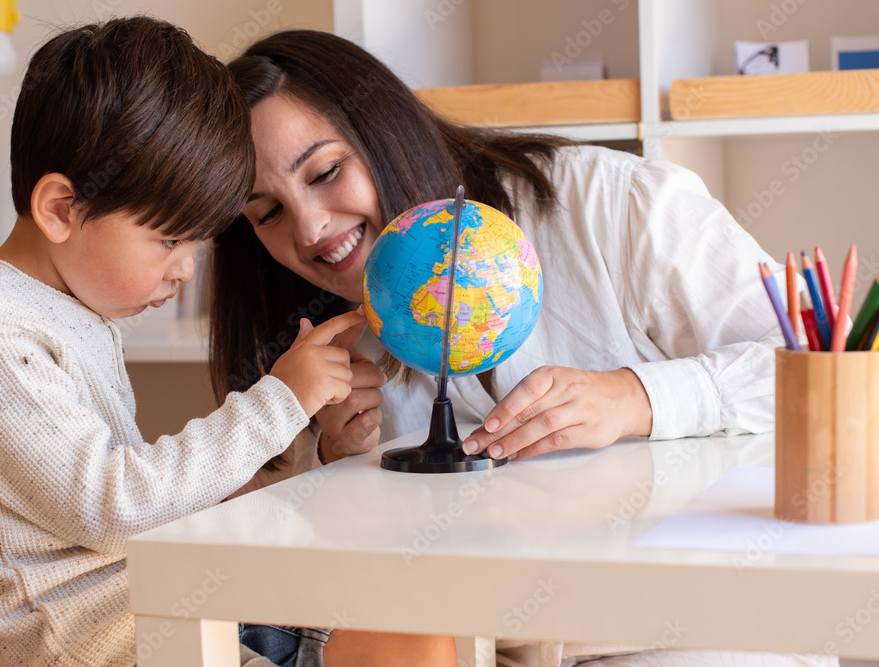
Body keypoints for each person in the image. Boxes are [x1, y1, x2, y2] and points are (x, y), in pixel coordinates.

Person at [210, 29, 835, 667]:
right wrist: (335, 459)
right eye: (267, 214)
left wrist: (637, 397)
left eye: (327, 172)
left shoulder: (610, 204)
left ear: (384, 131)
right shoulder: (301, 335)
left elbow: (827, 372)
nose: (310, 228)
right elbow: (319, 600)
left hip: (692, 621)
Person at [0, 17, 454, 667]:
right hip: (105, 642)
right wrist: (280, 400)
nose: (187, 268)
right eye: (169, 240)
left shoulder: (64, 312)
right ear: (59, 209)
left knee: (418, 630)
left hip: (171, 601)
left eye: (198, 243)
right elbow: (112, 503)